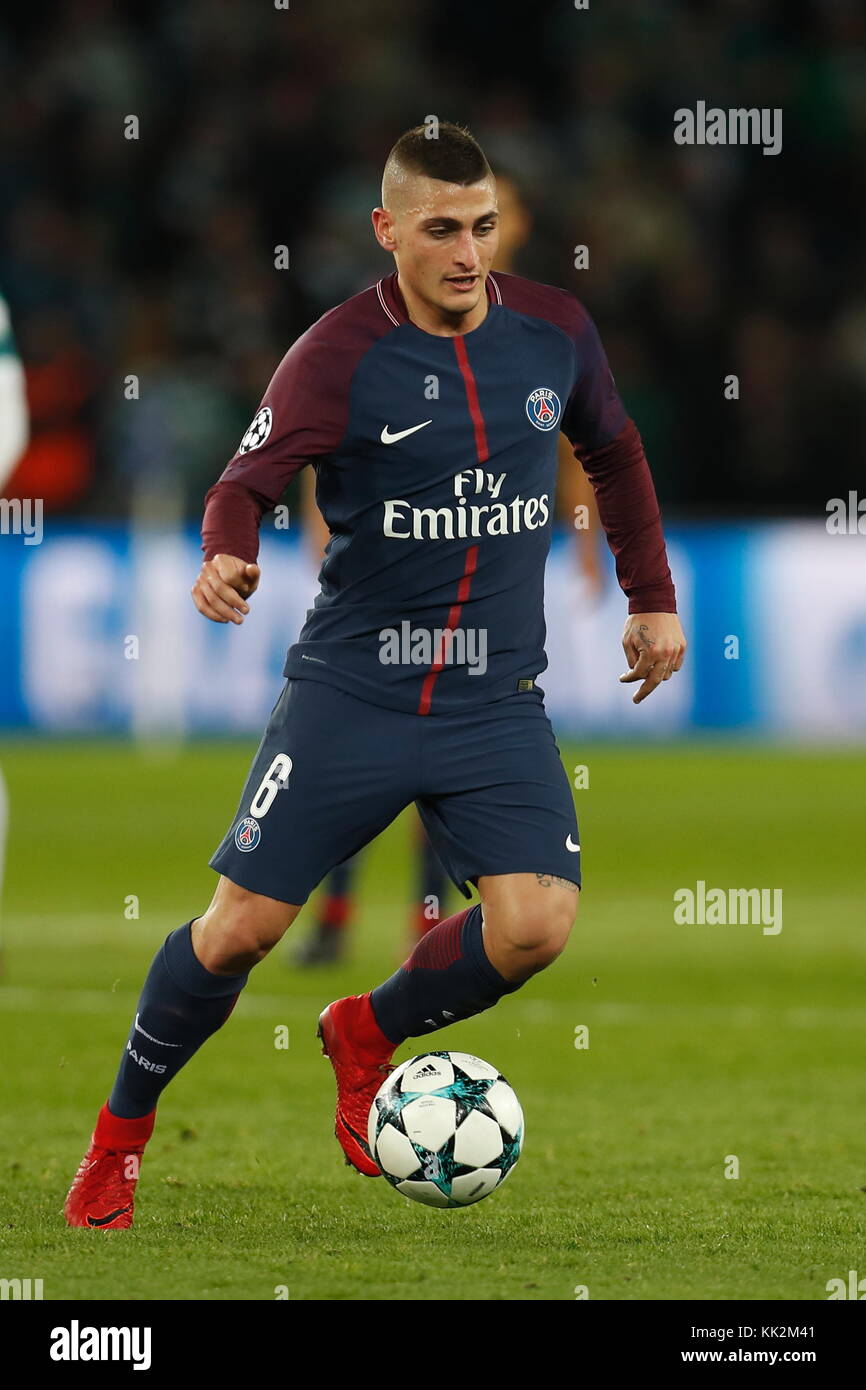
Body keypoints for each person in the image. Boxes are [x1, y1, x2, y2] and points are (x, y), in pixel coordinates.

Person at [65, 122, 685, 1226]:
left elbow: (615, 449)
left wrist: (650, 598)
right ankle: (118, 1138)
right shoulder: (337, 354)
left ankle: (366, 1027)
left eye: (483, 225)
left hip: (493, 696)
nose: (468, 252)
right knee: (238, 932)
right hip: (353, 694)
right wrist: (226, 552)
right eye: (441, 228)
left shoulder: (553, 330)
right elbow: (243, 481)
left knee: (535, 923)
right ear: (385, 230)